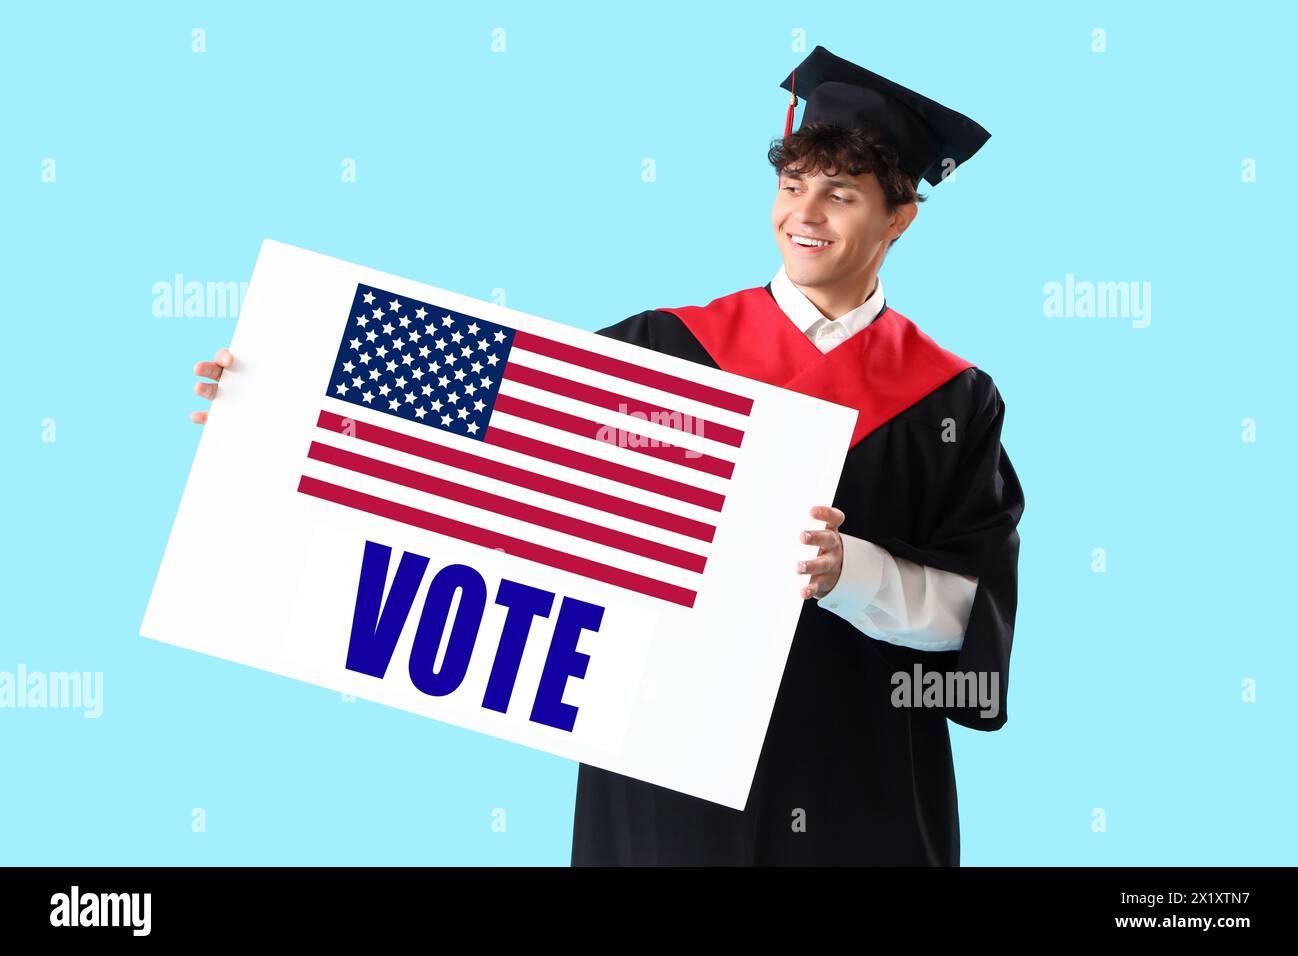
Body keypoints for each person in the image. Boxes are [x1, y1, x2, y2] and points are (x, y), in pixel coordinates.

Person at [190, 45, 1025, 866]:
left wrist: (853, 573)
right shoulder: (661, 348)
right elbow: (490, 449)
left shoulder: (951, 400)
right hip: (667, 779)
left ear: (899, 218)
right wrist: (277, 396)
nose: (803, 215)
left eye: (839, 195)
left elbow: (970, 619)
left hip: (863, 777)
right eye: (791, 185)